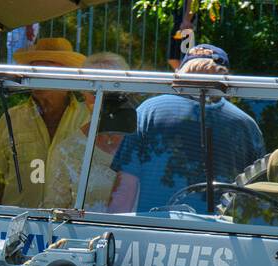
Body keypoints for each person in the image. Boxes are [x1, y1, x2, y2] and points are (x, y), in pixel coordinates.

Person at [105, 44, 265, 215]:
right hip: (221, 237)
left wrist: (112, 232)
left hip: (154, 233)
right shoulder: (246, 125)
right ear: (225, 78)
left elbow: (123, 192)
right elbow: (255, 199)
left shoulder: (149, 111)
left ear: (181, 73)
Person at [0, 37, 90, 208]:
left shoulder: (89, 118)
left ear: (68, 76)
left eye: (46, 70)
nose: (36, 76)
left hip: (70, 227)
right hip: (17, 225)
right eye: (33, 70)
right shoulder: (12, 118)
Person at [42, 51, 131, 211]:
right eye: (93, 89)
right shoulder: (67, 151)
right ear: (83, 93)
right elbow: (54, 214)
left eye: (112, 89)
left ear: (126, 92)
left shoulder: (144, 143)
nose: (102, 97)